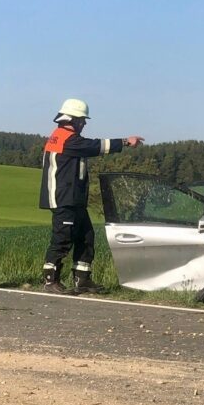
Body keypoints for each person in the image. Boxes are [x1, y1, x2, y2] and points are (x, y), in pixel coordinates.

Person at [40, 99, 143, 295]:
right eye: (82, 120)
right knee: (62, 239)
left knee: (86, 237)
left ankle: (83, 280)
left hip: (74, 199)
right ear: (73, 119)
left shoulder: (63, 137)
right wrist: (124, 142)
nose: (84, 124)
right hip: (64, 199)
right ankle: (50, 281)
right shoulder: (67, 139)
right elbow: (95, 146)